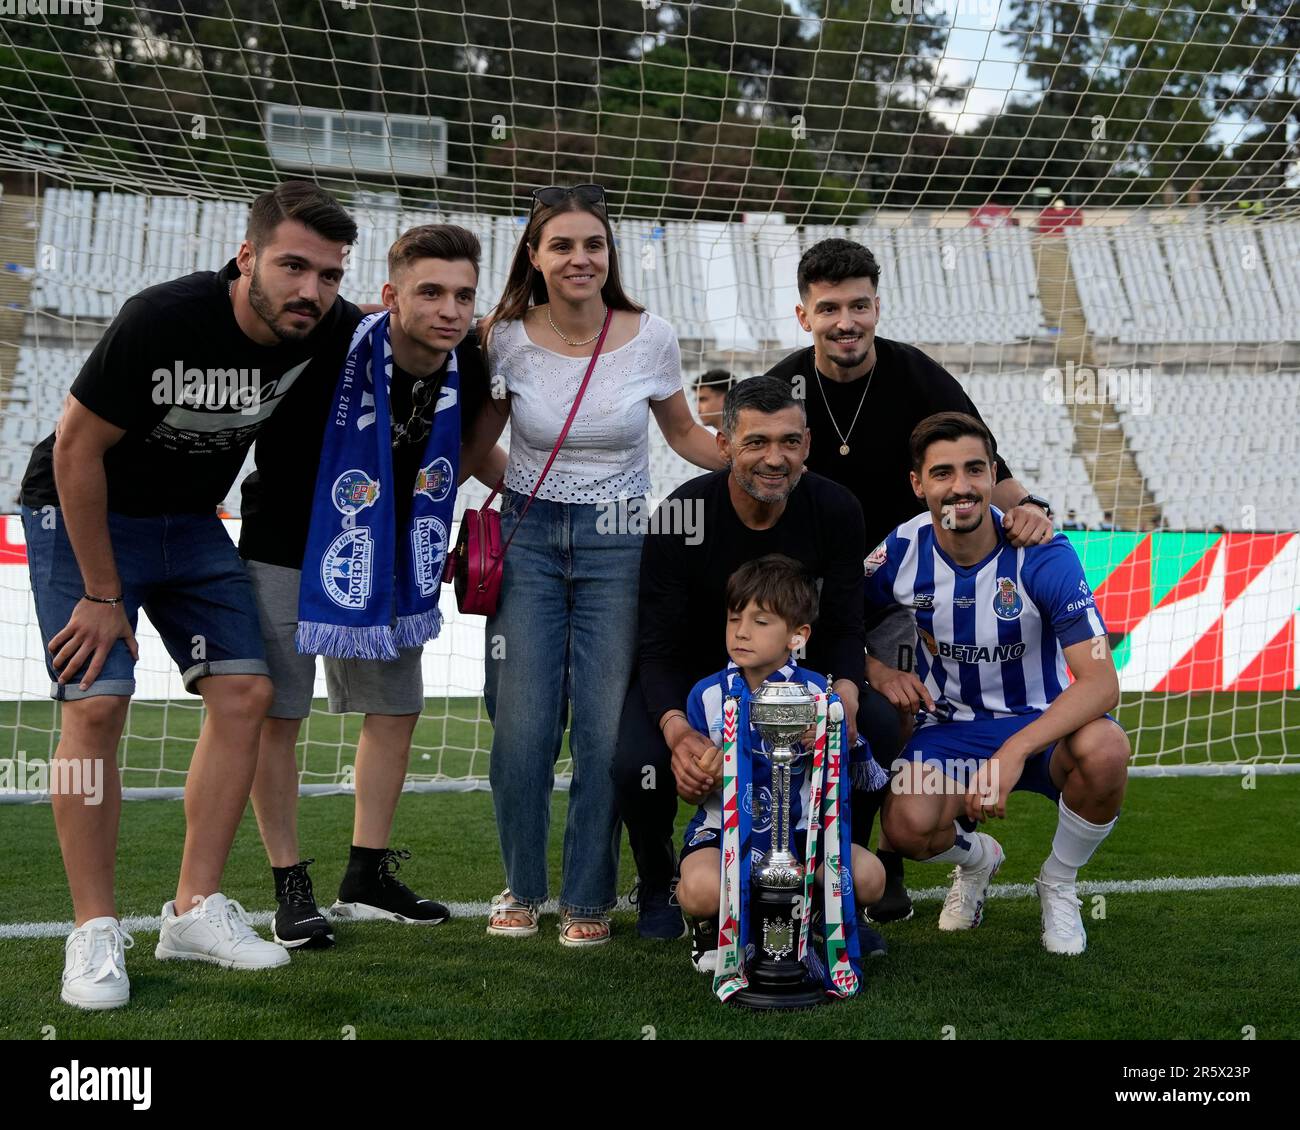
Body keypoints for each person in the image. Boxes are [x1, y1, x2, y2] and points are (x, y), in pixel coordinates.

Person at [18, 180, 359, 1008]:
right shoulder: (162, 317)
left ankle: (192, 910)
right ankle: (94, 929)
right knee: (96, 706)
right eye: (292, 267)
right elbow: (74, 449)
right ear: (246, 258)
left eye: (329, 274)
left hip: (191, 520)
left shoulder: (333, 331)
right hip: (85, 512)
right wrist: (102, 592)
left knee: (246, 692)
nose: (310, 290)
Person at [763, 238, 1055, 926]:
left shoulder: (916, 374)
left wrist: (1030, 508)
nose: (846, 322)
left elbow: (982, 457)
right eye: (829, 307)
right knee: (799, 721)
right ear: (803, 315)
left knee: (886, 713)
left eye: (859, 305)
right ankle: (794, 861)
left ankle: (883, 863)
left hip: (895, 586)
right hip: (809, 587)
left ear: (877, 306)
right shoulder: (785, 385)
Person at [239, 224, 506, 947]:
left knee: (395, 709)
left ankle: (367, 870)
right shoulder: (332, 336)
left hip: (393, 559)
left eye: (462, 295)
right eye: (430, 292)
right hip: (286, 545)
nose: (449, 309)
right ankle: (289, 882)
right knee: (278, 715)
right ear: (388, 296)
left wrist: (551, 496)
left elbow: (471, 451)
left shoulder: (472, 363)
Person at [473, 183, 726, 946]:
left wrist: (756, 468)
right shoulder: (504, 336)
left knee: (605, 735)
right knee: (521, 729)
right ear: (534, 255)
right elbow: (478, 441)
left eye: (594, 244)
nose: (580, 258)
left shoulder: (652, 336)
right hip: (529, 537)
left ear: (609, 254)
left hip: (621, 539)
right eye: (563, 245)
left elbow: (683, 434)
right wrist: (504, 494)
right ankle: (521, 886)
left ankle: (588, 896)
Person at [613, 376, 889, 960]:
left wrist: (845, 701)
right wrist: (677, 731)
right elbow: (656, 647)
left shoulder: (836, 509)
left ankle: (837, 891)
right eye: (757, 442)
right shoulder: (680, 514)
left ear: (808, 443)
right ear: (724, 445)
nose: (774, 457)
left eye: (789, 442)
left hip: (793, 682)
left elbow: (843, 625)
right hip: (695, 685)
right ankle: (662, 883)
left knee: (877, 728)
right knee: (635, 761)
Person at [866, 412, 1130, 955]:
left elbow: (1102, 684)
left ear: (993, 476)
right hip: (952, 726)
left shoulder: (1044, 554)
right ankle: (978, 859)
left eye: (974, 470)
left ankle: (1058, 882)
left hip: (1044, 726)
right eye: (942, 473)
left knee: (1106, 748)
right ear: (918, 484)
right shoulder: (899, 551)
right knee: (907, 825)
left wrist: (1013, 752)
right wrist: (878, 670)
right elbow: (831, 628)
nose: (960, 487)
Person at [675, 555, 885, 978]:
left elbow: (850, 775)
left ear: (797, 635)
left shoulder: (817, 694)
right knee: (698, 887)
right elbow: (690, 792)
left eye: (761, 621)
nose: (742, 632)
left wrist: (827, 744)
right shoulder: (706, 694)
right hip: (727, 832)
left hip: (803, 835)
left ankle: (825, 926)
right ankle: (711, 926)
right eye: (735, 619)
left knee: (868, 877)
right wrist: (703, 777)